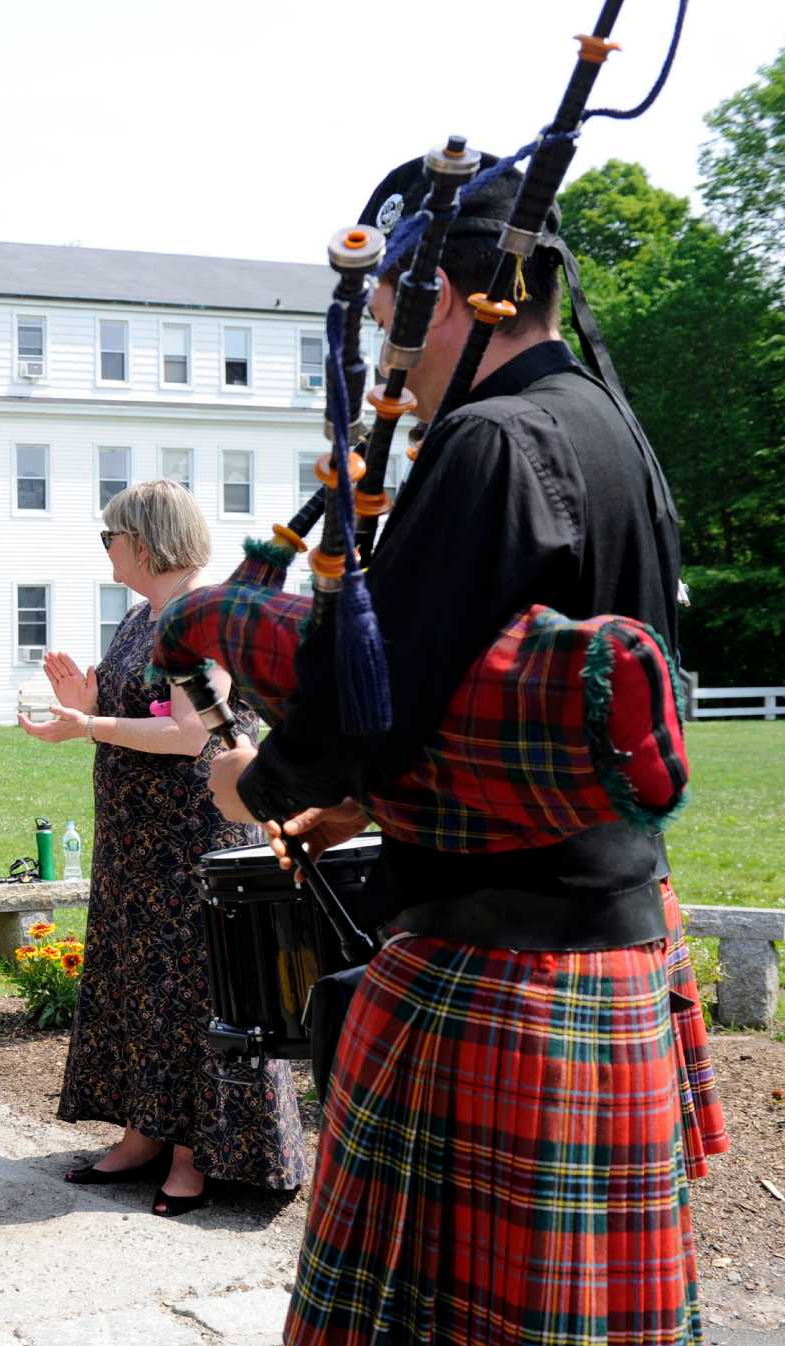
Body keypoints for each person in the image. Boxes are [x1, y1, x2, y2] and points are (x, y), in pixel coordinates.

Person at [206, 157, 702, 1344]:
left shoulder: (490, 443)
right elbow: (503, 702)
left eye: (384, 311)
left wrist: (268, 784)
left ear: (442, 298)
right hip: (616, 950)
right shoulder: (606, 425)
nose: (383, 348)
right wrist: (364, 799)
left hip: (500, 978)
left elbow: (372, 693)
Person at [21, 480, 305, 1215]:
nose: (105, 550)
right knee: (140, 985)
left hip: (194, 834)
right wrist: (86, 707)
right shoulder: (139, 615)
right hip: (135, 841)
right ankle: (144, 1132)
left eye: (109, 537)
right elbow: (131, 713)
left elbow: (190, 734)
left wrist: (92, 727)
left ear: (143, 542)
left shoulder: (202, 614)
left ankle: (195, 1154)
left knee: (193, 992)